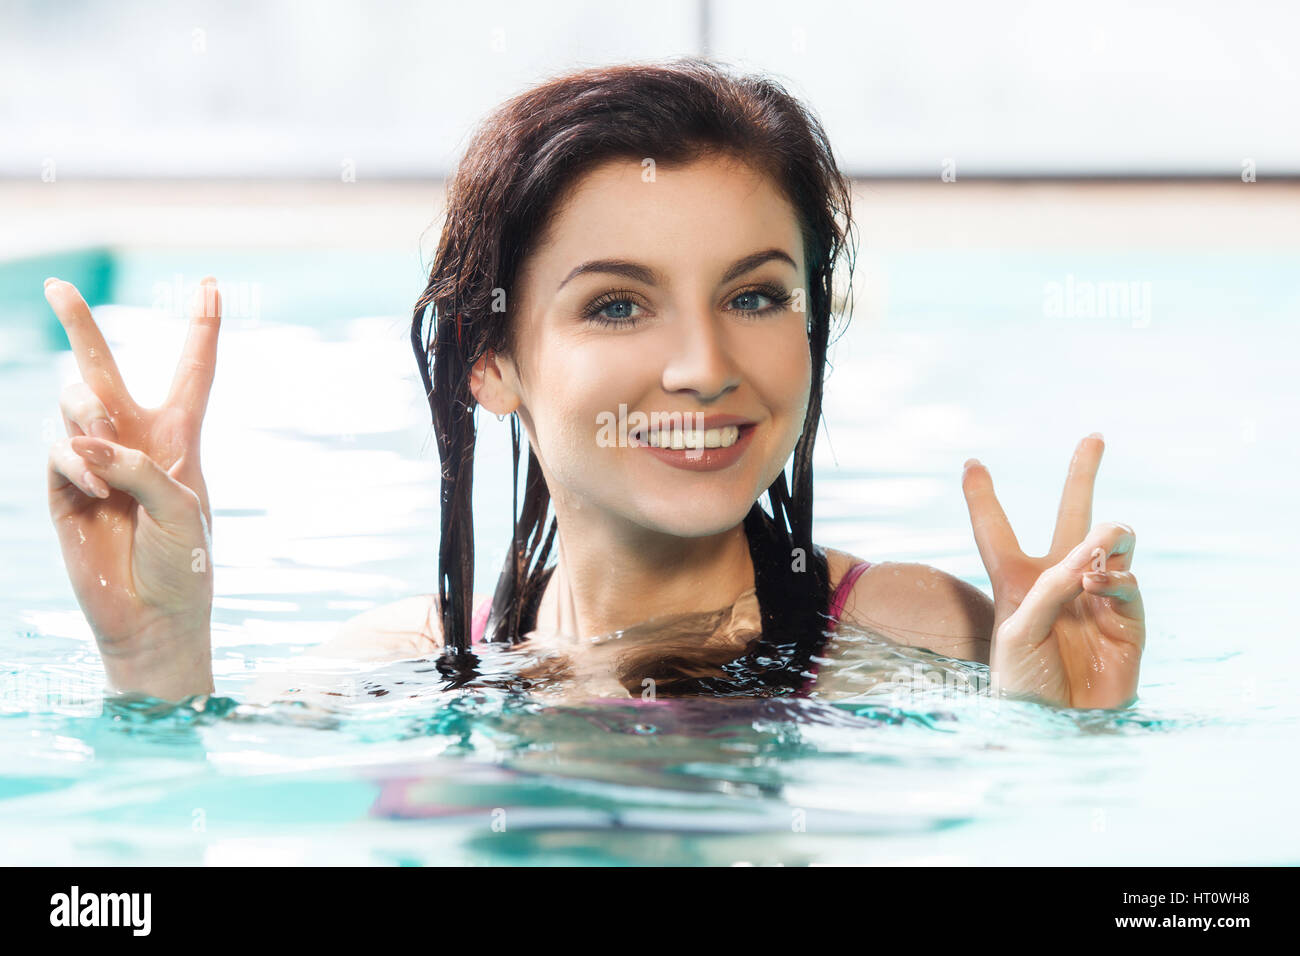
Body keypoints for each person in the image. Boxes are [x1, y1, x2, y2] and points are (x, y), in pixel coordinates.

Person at [43, 57, 1145, 709]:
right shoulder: (403, 670)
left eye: (755, 296)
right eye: (617, 304)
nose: (704, 367)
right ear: (491, 358)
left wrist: (1064, 734)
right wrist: (154, 653)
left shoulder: (918, 632)